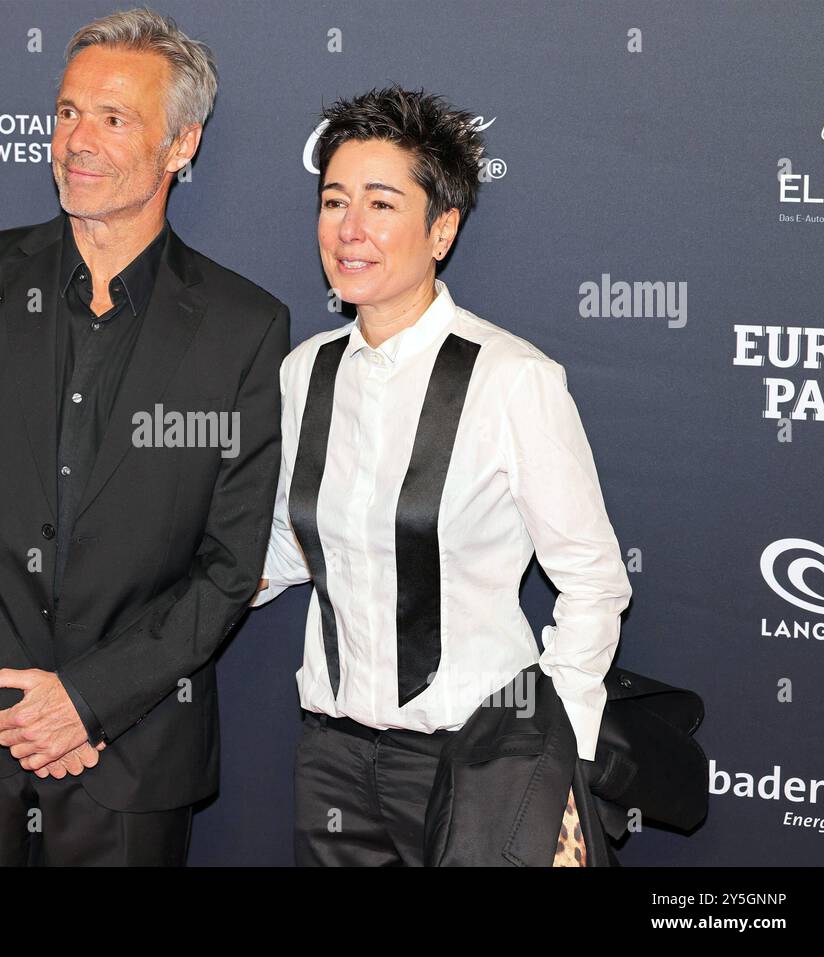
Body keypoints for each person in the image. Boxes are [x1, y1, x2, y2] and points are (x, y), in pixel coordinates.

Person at [0, 7, 287, 865]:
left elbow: (229, 562)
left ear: (182, 146)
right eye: (67, 112)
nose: (77, 140)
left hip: (132, 752)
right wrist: (27, 707)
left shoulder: (244, 329)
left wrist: (88, 702)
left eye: (113, 117)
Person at [252, 86, 632, 866]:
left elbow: (595, 580)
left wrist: (552, 748)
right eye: (334, 201)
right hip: (329, 761)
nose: (350, 229)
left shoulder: (512, 378)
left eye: (382, 203)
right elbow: (291, 551)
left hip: (476, 761)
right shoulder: (304, 372)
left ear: (443, 228)